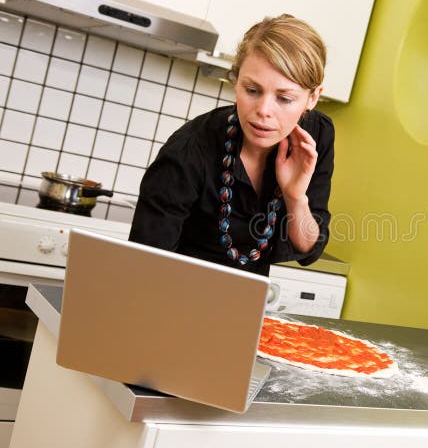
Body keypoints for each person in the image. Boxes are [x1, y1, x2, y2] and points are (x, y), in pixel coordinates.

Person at [130, 14, 334, 275]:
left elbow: (308, 249)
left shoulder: (316, 137)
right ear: (236, 81)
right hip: (176, 290)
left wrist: (295, 197)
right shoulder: (188, 151)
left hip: (249, 296)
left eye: (284, 98)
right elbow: (143, 269)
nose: (263, 110)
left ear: (313, 98)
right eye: (252, 90)